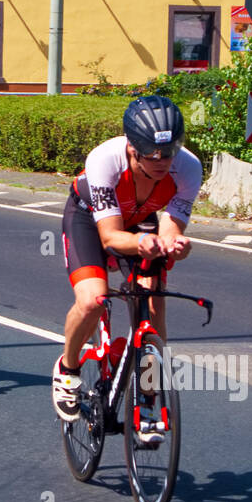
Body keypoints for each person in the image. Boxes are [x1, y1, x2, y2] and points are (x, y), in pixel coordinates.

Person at [52, 96, 200, 438]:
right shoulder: (104, 160)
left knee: (153, 301)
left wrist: (175, 244)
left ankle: (148, 400)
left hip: (140, 221)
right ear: (132, 147)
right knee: (92, 299)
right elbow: (110, 237)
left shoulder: (188, 167)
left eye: (170, 151)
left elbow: (171, 227)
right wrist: (141, 243)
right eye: (153, 153)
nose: (163, 161)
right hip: (89, 219)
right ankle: (68, 368)